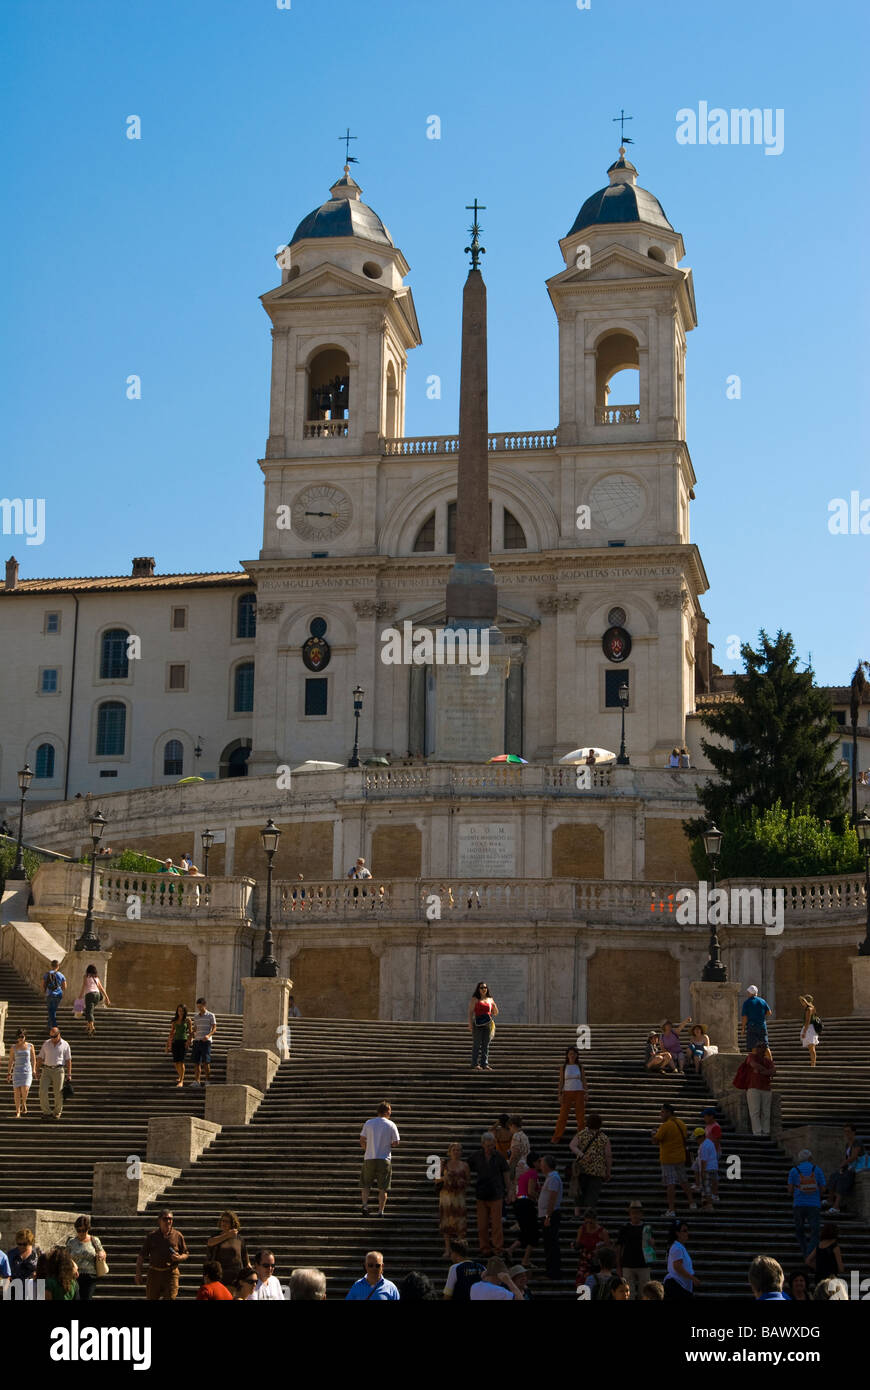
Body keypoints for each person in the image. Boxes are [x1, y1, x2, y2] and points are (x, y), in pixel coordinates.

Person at [469, 1131, 509, 1257]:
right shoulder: (476, 1156)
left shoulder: (499, 1156)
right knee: (482, 1225)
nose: (490, 1148)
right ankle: (485, 1248)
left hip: (496, 1194)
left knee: (497, 1225)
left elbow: (506, 1173)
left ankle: (498, 1249)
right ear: (482, 1144)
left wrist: (509, 1190)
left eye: (492, 1145)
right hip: (481, 1194)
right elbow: (466, 1167)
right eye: (488, 1146)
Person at [652, 1102, 696, 1217]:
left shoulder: (665, 1126)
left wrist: (653, 1134)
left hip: (668, 1159)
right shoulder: (681, 1123)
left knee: (670, 1184)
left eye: (662, 1112)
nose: (660, 1114)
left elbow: (656, 1140)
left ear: (668, 1112)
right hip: (680, 1157)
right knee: (684, 1180)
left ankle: (671, 1209)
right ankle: (692, 1203)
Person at [135, 1209, 189, 1300]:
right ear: (159, 1220)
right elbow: (141, 1256)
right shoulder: (152, 1236)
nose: (168, 1221)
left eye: (170, 1219)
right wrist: (138, 1273)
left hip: (171, 1273)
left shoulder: (178, 1235)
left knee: (171, 1297)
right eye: (165, 1219)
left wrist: (179, 1257)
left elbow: (186, 1253)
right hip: (154, 1274)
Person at [359, 1099, 400, 1216]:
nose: (391, 1113)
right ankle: (380, 1211)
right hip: (384, 1158)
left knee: (366, 1184)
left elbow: (362, 1139)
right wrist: (389, 1144)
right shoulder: (391, 1124)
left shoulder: (369, 1123)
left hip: (369, 1158)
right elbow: (396, 1142)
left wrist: (367, 1149)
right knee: (383, 1187)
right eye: (390, 1110)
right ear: (387, 1111)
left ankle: (365, 1205)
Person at [568, 1112, 612, 1214]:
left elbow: (572, 1145)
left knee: (579, 1191)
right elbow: (608, 1155)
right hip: (597, 1170)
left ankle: (577, 1213)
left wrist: (582, 1155)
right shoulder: (604, 1138)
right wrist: (608, 1171)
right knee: (593, 1193)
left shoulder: (582, 1134)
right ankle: (589, 1214)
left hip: (582, 1168)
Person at [788, 1147, 826, 1258]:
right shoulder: (817, 1170)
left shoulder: (794, 1170)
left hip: (799, 1204)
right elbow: (823, 1189)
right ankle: (810, 1253)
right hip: (814, 1204)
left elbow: (790, 1190)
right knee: (815, 1231)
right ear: (810, 1158)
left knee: (799, 1230)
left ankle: (805, 1252)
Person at [435, 1142, 471, 1256]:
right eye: (454, 1150)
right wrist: (444, 1178)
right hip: (446, 1196)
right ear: (450, 1151)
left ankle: (460, 1249)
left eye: (458, 1150)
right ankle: (447, 1249)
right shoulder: (443, 1163)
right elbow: (436, 1180)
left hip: (459, 1197)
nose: (456, 1152)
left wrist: (462, 1182)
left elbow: (468, 1181)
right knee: (446, 1223)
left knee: (460, 1223)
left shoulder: (465, 1165)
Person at [507, 1151, 539, 1268]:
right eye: (539, 1161)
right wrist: (539, 1197)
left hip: (519, 1204)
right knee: (533, 1233)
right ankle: (525, 1259)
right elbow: (530, 1192)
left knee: (526, 1232)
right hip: (526, 1204)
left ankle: (510, 1250)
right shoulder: (532, 1174)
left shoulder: (524, 1174)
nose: (541, 1164)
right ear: (534, 1163)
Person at [615, 1200, 653, 1300]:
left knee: (645, 1294)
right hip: (627, 1264)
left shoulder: (646, 1227)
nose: (635, 1215)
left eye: (637, 1212)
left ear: (641, 1214)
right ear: (630, 1213)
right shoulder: (624, 1228)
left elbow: (651, 1248)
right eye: (633, 1212)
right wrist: (618, 1266)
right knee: (628, 1295)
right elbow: (619, 1247)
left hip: (643, 1265)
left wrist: (652, 1245)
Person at [824, 1124, 864, 1214]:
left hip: (857, 1168)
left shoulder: (857, 1142)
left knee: (842, 1179)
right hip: (849, 1167)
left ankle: (836, 1206)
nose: (846, 1133)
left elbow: (854, 1156)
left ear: (853, 1132)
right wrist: (843, 1167)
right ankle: (830, 1199)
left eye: (848, 1131)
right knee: (834, 1176)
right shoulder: (847, 1144)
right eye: (845, 1131)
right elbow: (847, 1157)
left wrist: (843, 1163)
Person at [65, 1215, 106, 1301]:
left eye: (83, 1230)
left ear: (88, 1229)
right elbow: (66, 1257)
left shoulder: (94, 1240)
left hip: (90, 1276)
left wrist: (102, 1255)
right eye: (78, 1230)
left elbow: (102, 1252)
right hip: (75, 1276)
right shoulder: (71, 1242)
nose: (81, 1233)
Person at [551, 1046, 587, 1142]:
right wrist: (559, 1093)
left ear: (576, 1055)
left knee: (580, 1116)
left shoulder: (580, 1066)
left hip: (579, 1091)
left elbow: (583, 1080)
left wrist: (586, 1092)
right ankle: (557, 1136)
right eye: (570, 1054)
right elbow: (561, 1081)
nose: (572, 1055)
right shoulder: (563, 1067)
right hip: (567, 1092)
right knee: (563, 1115)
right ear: (567, 1055)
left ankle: (582, 1137)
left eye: (574, 1054)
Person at [35, 1025, 72, 1120]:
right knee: (42, 1091)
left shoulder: (65, 1044)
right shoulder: (46, 1043)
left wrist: (69, 1074)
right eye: (51, 1036)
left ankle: (57, 1112)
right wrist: (37, 1070)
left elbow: (68, 1060)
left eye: (54, 1036)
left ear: (59, 1034)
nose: (52, 1038)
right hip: (46, 1069)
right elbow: (40, 1057)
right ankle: (46, 1112)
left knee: (58, 1092)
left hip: (59, 1070)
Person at [536, 1153, 563, 1278]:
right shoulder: (550, 1177)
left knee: (551, 1244)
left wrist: (548, 1216)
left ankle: (553, 1272)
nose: (540, 1166)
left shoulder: (553, 1178)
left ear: (547, 1165)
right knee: (548, 1244)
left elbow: (552, 1198)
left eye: (542, 1164)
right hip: (547, 1214)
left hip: (550, 1215)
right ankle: (551, 1270)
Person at [205, 1210, 249, 1287]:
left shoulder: (239, 1239)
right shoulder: (216, 1237)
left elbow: (245, 1258)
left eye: (227, 1221)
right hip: (220, 1276)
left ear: (232, 1223)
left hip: (235, 1276)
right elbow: (210, 1243)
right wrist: (228, 1235)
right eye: (223, 1221)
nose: (224, 1223)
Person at [745, 1041, 776, 1136]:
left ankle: (766, 1132)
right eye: (759, 1047)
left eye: (763, 1047)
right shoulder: (751, 1056)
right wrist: (766, 1071)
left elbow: (773, 1071)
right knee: (755, 1111)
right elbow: (753, 1064)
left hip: (766, 1088)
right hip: (753, 1087)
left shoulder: (768, 1061)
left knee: (766, 1112)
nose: (761, 1049)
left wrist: (761, 1071)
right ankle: (757, 1132)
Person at [573, 1208, 611, 1286]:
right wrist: (575, 1245)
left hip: (597, 1262)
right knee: (581, 1285)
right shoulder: (582, 1229)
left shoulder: (602, 1232)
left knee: (595, 1286)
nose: (588, 1225)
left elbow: (609, 1249)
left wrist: (600, 1248)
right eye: (586, 1222)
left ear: (595, 1220)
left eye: (591, 1222)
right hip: (584, 1262)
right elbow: (577, 1243)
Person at [468, 981, 498, 1071]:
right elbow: (470, 1012)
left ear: (487, 989)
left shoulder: (490, 999)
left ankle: (484, 1064)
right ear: (478, 989)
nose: (483, 989)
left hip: (488, 1023)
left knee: (486, 1044)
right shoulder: (475, 999)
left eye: (485, 987)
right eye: (481, 987)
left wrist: (494, 1005)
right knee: (477, 1044)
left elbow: (495, 1012)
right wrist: (470, 1024)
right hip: (477, 1023)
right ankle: (474, 1064)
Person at [664, 1220, 698, 1299]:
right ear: (677, 1233)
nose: (687, 1233)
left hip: (680, 1286)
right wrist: (693, 1278)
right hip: (676, 1286)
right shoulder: (677, 1248)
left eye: (687, 1230)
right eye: (684, 1231)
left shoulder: (679, 1247)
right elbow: (677, 1267)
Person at [7, 1027, 35, 1116]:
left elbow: (33, 1059)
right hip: (17, 1071)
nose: (20, 1038)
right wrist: (9, 1073)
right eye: (19, 1036)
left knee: (25, 1090)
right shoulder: (13, 1047)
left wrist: (34, 1069)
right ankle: (18, 1110)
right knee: (17, 1092)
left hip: (27, 1071)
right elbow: (11, 1060)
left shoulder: (30, 1046)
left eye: (22, 1036)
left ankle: (24, 1103)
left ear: (25, 1036)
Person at [78, 962, 110, 1037]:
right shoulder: (97, 978)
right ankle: (88, 1026)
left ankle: (92, 1027)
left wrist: (80, 995)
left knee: (89, 1012)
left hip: (90, 995)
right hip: (97, 996)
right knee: (88, 1010)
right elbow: (101, 988)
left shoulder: (86, 977)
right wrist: (107, 998)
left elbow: (84, 986)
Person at [190, 997, 217, 1087]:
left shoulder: (211, 1015)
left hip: (206, 1041)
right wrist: (191, 1031)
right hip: (197, 1041)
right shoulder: (196, 1017)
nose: (199, 1009)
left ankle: (207, 1080)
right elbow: (196, 1028)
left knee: (206, 1062)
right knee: (196, 1062)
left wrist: (208, 1035)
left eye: (201, 1007)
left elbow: (214, 1028)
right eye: (198, 1007)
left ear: (204, 1005)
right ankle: (197, 1081)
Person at [165, 1004, 193, 1088]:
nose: (180, 1012)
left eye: (182, 1010)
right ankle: (180, 1075)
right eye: (179, 1010)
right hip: (175, 1042)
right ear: (177, 1011)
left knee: (181, 1061)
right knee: (176, 1062)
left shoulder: (188, 1020)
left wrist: (189, 1041)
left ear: (185, 1011)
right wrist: (167, 1045)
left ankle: (181, 1080)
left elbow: (191, 1032)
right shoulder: (174, 1020)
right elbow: (171, 1033)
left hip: (183, 1042)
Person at [690, 1127, 718, 1211]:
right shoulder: (710, 1142)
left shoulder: (704, 1146)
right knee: (710, 1186)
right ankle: (707, 1204)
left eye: (697, 1138)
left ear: (701, 1137)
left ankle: (709, 1205)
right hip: (714, 1167)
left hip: (707, 1168)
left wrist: (702, 1171)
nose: (696, 1140)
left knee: (707, 1188)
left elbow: (704, 1160)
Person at [740, 985, 772, 1050]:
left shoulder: (747, 1002)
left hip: (752, 1027)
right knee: (765, 1047)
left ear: (750, 993)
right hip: (762, 1026)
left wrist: (743, 1028)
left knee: (753, 1047)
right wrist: (760, 1014)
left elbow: (744, 1017)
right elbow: (769, 1012)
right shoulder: (762, 1001)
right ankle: (770, 1060)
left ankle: (755, 1060)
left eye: (748, 992)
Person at [507, 1115, 530, 1202]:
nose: (510, 1130)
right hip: (525, 1164)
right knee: (522, 1190)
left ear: (512, 1125)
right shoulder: (524, 1136)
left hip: (518, 1166)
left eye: (509, 1127)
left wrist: (510, 1166)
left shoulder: (516, 1136)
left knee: (516, 1189)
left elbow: (515, 1154)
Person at [42, 959, 66, 1029]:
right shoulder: (61, 975)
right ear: (58, 966)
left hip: (50, 994)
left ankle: (53, 1026)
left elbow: (43, 984)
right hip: (58, 994)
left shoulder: (47, 974)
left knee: (51, 1010)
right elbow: (65, 987)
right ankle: (50, 1026)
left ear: (51, 966)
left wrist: (45, 990)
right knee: (53, 1010)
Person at [800, 994, 820, 1067]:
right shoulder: (812, 1008)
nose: (802, 1003)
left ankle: (813, 1064)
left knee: (811, 1048)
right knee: (811, 1048)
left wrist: (804, 1031)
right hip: (811, 1028)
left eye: (803, 1001)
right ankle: (813, 1064)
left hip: (809, 1029)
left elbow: (807, 1021)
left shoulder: (809, 1009)